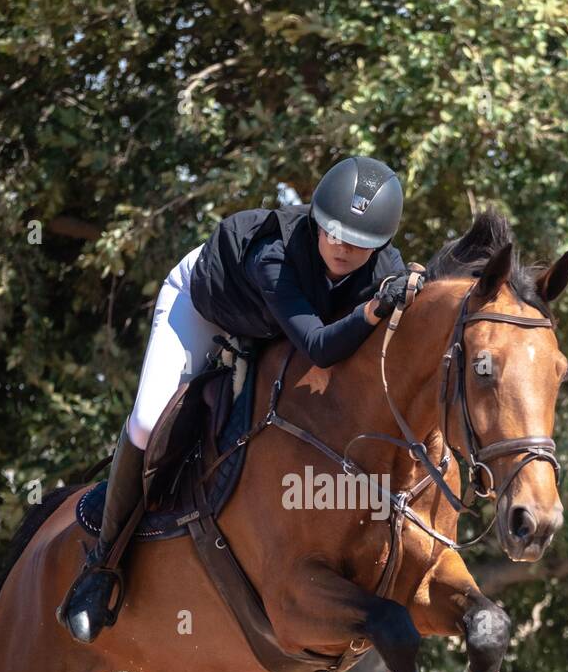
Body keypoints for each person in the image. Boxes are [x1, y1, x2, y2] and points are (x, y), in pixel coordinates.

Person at [59, 154, 415, 644]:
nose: (338, 245)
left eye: (356, 241)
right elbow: (318, 346)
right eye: (330, 229)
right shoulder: (275, 254)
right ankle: (99, 569)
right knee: (146, 422)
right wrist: (375, 309)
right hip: (206, 305)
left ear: (379, 245)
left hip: (275, 328)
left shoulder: (385, 268)